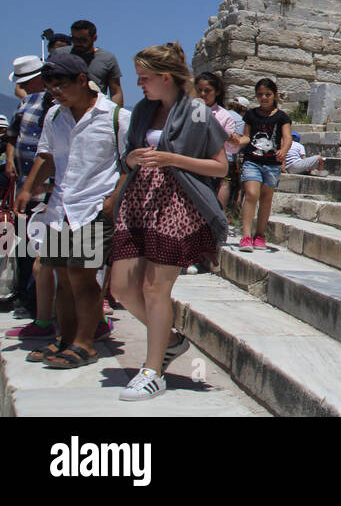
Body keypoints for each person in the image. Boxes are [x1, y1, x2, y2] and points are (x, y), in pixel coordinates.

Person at [107, 42, 228, 401]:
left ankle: (152, 370)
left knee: (155, 288)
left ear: (165, 77)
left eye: (145, 78)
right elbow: (127, 156)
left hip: (177, 202)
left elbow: (220, 166)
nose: (139, 84)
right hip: (139, 199)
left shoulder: (196, 112)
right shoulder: (142, 111)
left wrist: (172, 159)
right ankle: (171, 342)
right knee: (121, 287)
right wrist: (132, 159)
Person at [14, 51, 130, 371]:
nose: (54, 92)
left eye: (60, 85)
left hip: (94, 206)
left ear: (82, 80)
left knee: (81, 275)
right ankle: (65, 339)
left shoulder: (116, 116)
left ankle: (85, 343)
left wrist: (111, 203)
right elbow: (46, 156)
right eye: (50, 86)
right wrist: (28, 189)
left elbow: (130, 163)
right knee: (61, 274)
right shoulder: (55, 116)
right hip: (62, 206)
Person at [4, 57, 59, 338]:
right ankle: (33, 303)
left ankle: (53, 315)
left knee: (54, 256)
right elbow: (13, 133)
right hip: (30, 189)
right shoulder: (28, 103)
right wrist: (11, 160)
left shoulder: (63, 110)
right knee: (30, 249)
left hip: (57, 191)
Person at [235, 78, 291, 253]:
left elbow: (287, 137)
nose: (264, 98)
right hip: (252, 159)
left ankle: (259, 234)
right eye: (260, 95)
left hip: (272, 163)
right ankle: (245, 235)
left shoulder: (282, 117)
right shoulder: (251, 115)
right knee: (251, 194)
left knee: (266, 199)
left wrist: (284, 150)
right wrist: (236, 140)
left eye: (267, 94)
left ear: (274, 95)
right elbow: (246, 137)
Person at [194, 72, 243, 212]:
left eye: (207, 91)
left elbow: (232, 149)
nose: (202, 94)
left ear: (217, 92)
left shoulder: (224, 116)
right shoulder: (189, 111)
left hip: (212, 166)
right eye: (199, 90)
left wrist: (231, 140)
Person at [69, 20, 124, 107]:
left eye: (83, 40)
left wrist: (116, 116)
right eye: (74, 39)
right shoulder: (61, 55)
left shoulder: (107, 59)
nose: (78, 43)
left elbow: (115, 92)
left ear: (94, 38)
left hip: (96, 113)